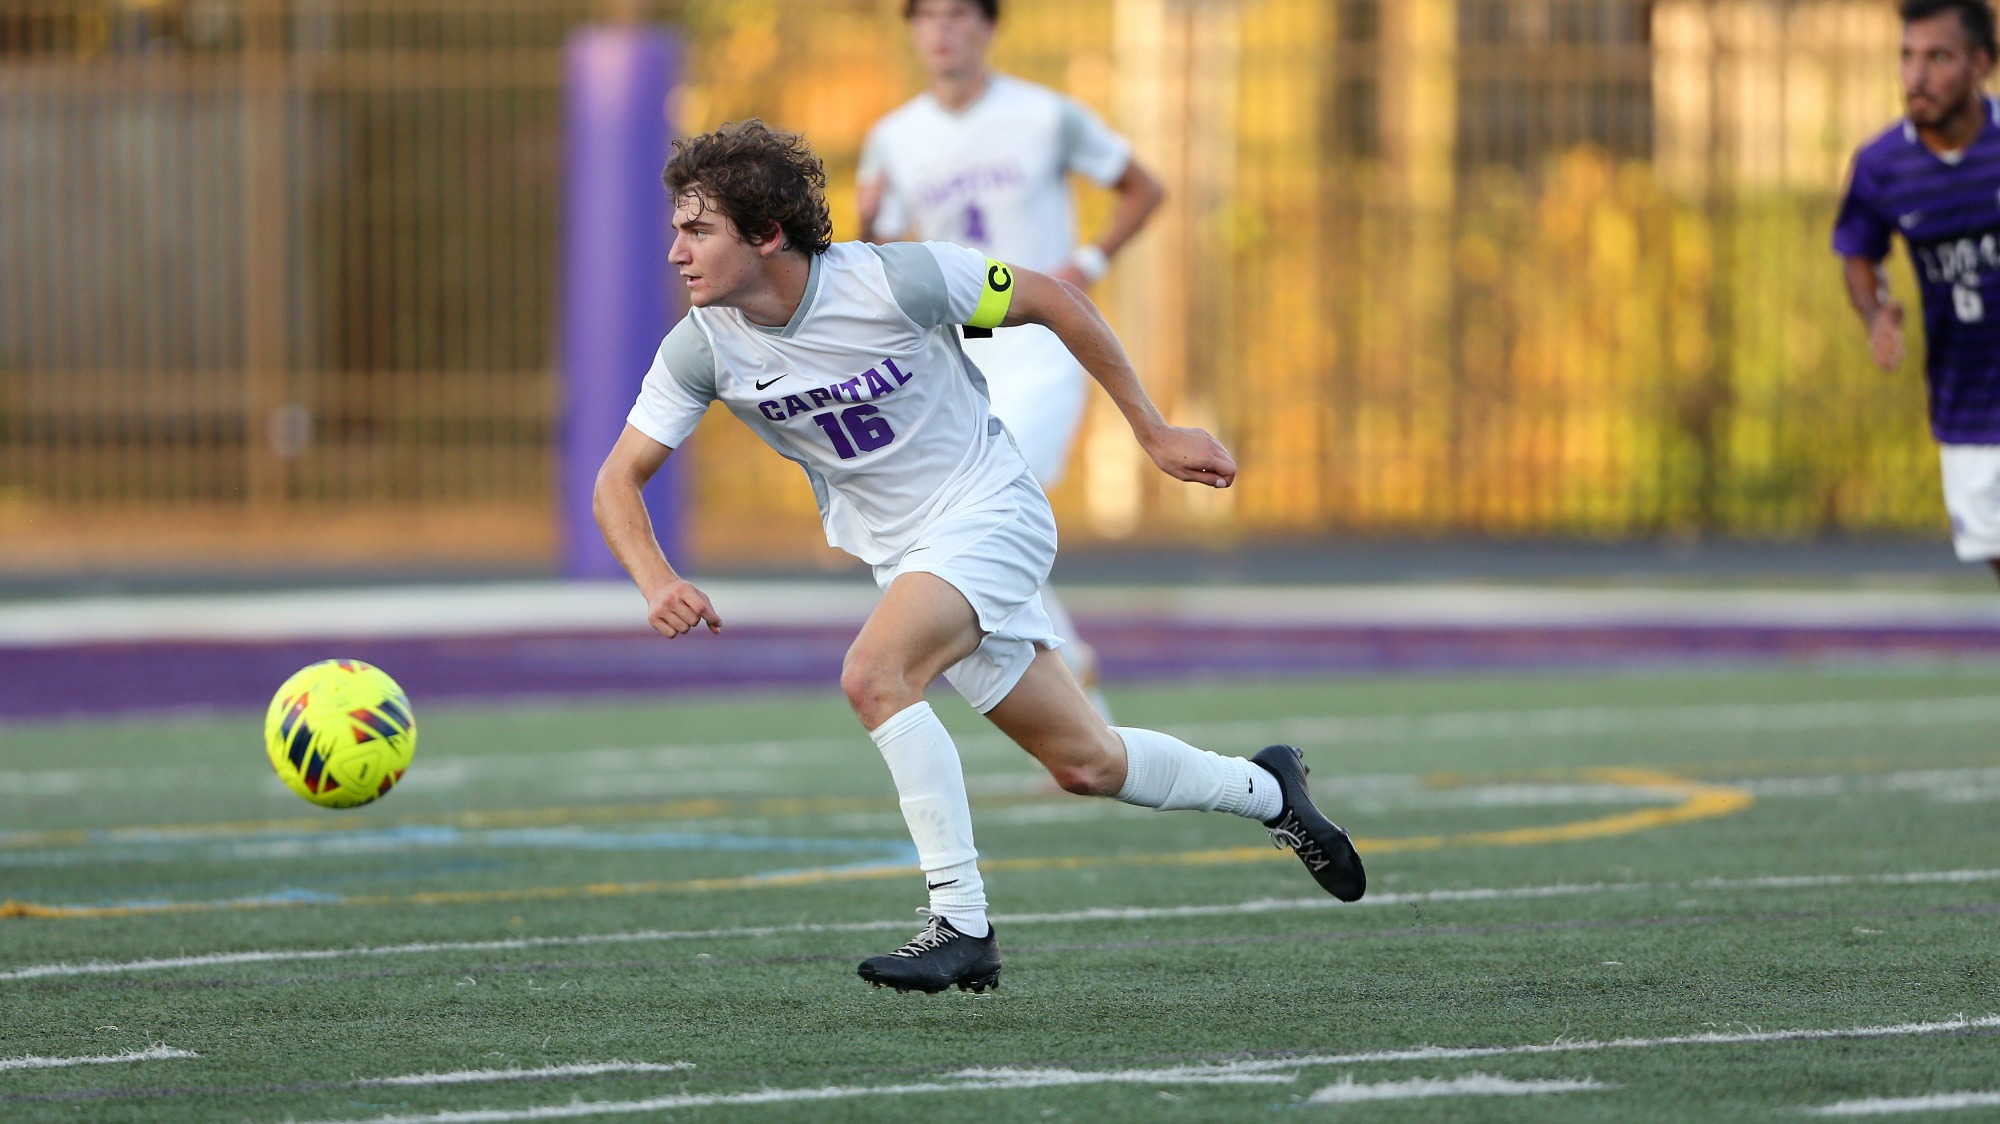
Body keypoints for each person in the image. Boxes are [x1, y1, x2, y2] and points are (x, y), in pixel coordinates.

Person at [593, 120, 1364, 995]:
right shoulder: (703, 345)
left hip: (990, 512)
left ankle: (961, 924)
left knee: (874, 675)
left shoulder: (898, 280)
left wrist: (1151, 429)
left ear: (766, 235)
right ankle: (1269, 792)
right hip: (908, 556)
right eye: (676, 230)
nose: (674, 254)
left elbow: (1056, 300)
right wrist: (655, 580)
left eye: (697, 231)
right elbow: (618, 481)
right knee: (1087, 764)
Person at [859, 0, 1166, 716]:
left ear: (990, 26)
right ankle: (1080, 694)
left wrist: (1087, 261)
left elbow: (1143, 187)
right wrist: (868, 222)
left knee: (993, 509)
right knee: (965, 524)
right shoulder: (892, 137)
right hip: (953, 363)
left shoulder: (1046, 115)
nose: (942, 29)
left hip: (1039, 347)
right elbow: (884, 254)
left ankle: (1079, 696)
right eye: (927, 15)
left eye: (959, 13)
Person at [1837, 0, 2000, 581]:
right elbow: (1859, 250)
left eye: (1938, 57)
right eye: (1907, 56)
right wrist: (1875, 313)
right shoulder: (1884, 165)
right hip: (1968, 403)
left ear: (1979, 64)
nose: (1917, 76)